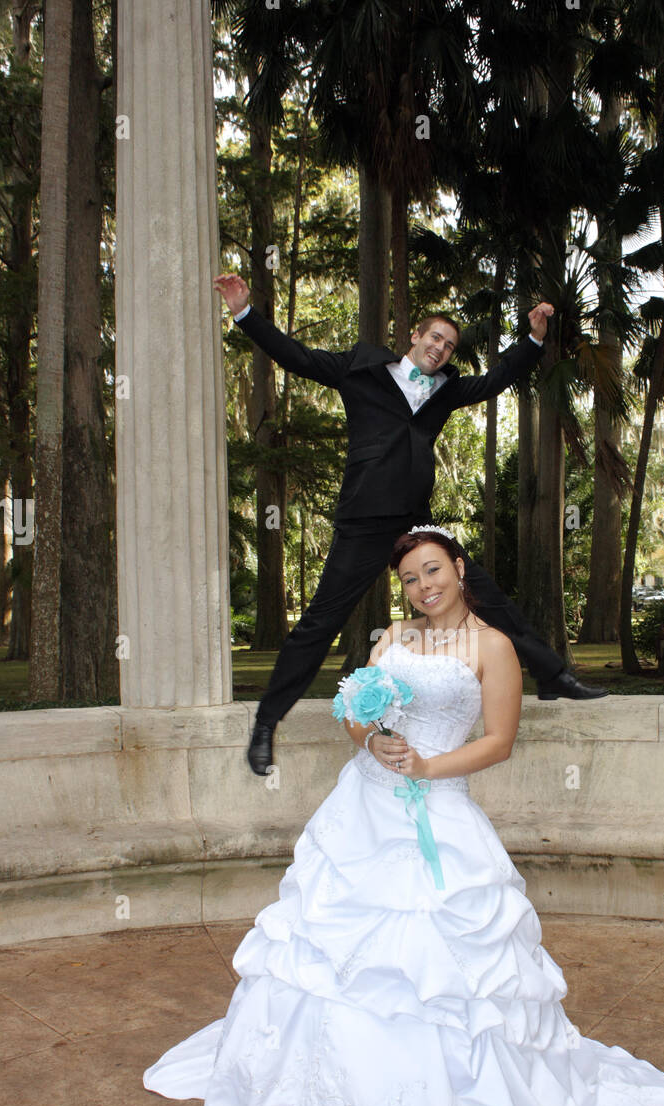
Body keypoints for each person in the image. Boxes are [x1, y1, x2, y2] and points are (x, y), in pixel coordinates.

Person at [143, 527, 664, 1106]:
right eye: (409, 578)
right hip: (364, 808)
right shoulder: (391, 639)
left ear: (459, 569)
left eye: (432, 570)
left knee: (437, 970)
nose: (422, 586)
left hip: (440, 806)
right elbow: (354, 708)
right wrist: (372, 738)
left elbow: (499, 741)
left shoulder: (493, 647)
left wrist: (429, 767)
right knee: (330, 953)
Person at [212, 273, 607, 779]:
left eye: (449, 345)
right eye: (434, 338)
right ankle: (267, 723)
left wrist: (532, 339)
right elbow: (297, 356)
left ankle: (553, 675)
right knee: (318, 624)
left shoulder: (446, 391)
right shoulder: (361, 369)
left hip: (414, 525)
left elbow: (495, 379)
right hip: (363, 519)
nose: (440, 349)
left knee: (485, 596)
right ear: (415, 338)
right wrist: (246, 313)